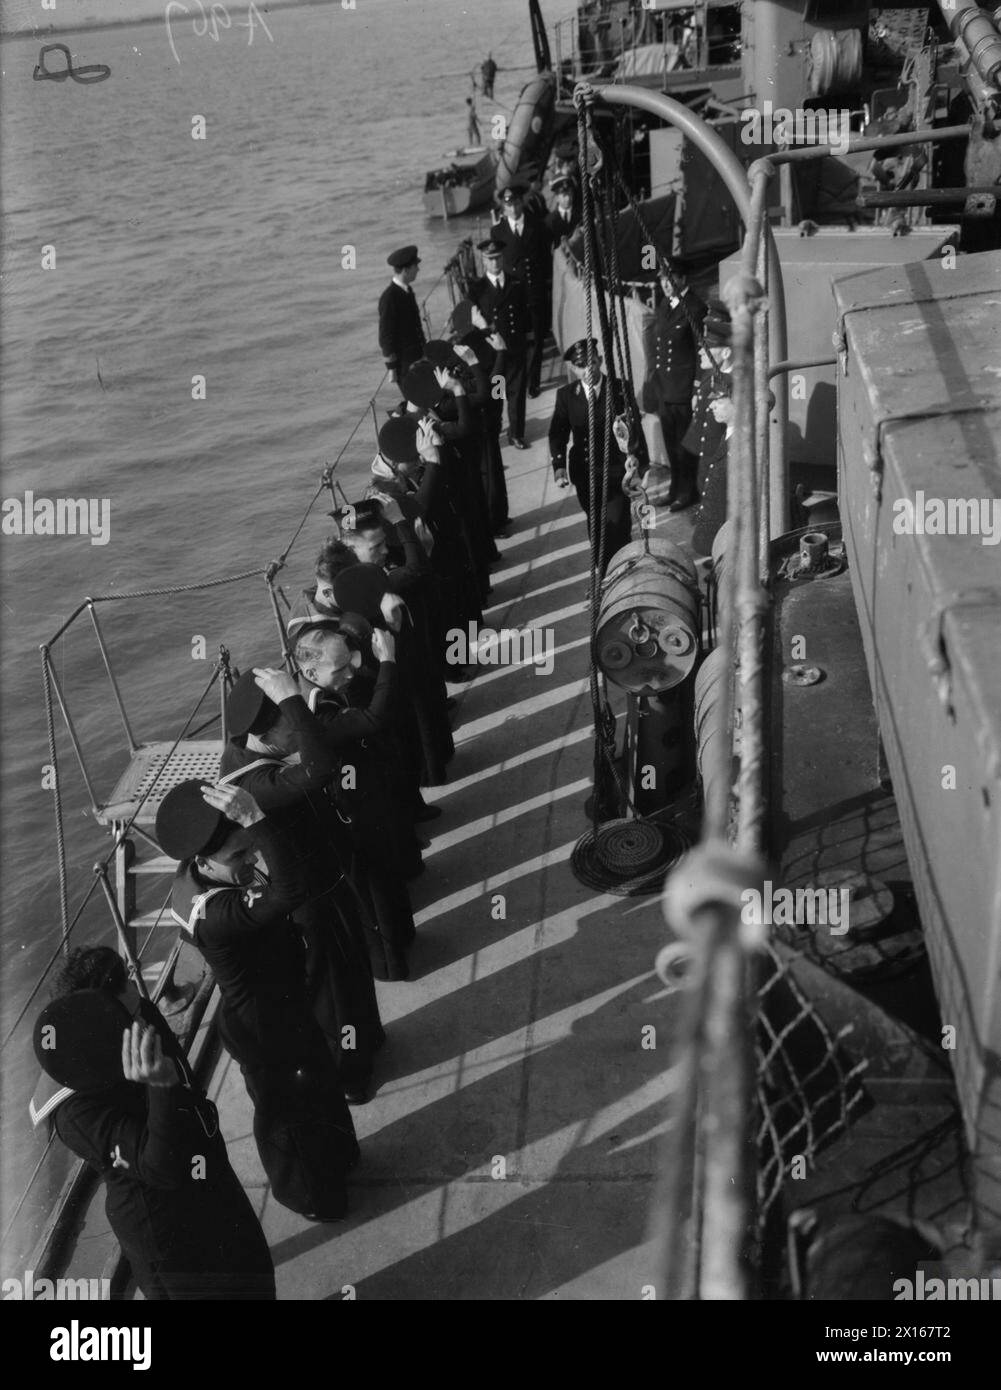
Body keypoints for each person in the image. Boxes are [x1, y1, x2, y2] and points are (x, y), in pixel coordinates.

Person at [158, 779, 360, 1219]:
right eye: (238, 856)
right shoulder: (218, 914)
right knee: (288, 1118)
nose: (251, 859)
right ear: (203, 861)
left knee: (321, 1087)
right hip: (262, 1026)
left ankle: (340, 1159)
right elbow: (291, 891)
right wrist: (255, 819)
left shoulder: (200, 877)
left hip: (284, 1004)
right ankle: (311, 1197)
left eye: (250, 848)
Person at [35, 946, 276, 1299]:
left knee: (254, 1269)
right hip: (166, 1224)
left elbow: (186, 1079)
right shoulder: (73, 1111)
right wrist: (160, 1088)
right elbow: (157, 1167)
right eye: (124, 986)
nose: (137, 989)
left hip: (207, 1173)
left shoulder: (137, 1013)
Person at [215, 666, 385, 1102]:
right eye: (292, 724)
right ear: (266, 736)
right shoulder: (254, 783)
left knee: (354, 971)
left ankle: (368, 1040)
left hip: (327, 880)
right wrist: (290, 699)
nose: (300, 730)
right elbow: (321, 766)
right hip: (308, 899)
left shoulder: (253, 751)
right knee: (334, 991)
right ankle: (351, 1074)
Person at [293, 622, 418, 982]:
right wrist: (389, 660)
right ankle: (391, 966)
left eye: (350, 662)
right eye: (340, 668)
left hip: (367, 794)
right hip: (350, 811)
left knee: (388, 876)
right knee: (373, 892)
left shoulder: (328, 688)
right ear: (311, 672)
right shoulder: (316, 710)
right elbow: (373, 718)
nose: (350, 673)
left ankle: (404, 939)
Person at [548, 338, 648, 582]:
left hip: (617, 471)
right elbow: (558, 432)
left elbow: (635, 428)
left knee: (617, 523)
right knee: (596, 525)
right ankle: (604, 571)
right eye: (581, 365)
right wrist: (559, 467)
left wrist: (642, 464)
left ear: (600, 361)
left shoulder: (620, 388)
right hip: (585, 472)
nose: (588, 369)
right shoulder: (566, 396)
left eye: (592, 363)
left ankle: (617, 576)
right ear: (573, 368)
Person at [642, 278, 707, 511]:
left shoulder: (695, 307)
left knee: (685, 444)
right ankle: (674, 489)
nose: (665, 284)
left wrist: (697, 387)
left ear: (682, 279)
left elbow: (702, 349)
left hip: (683, 387)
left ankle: (687, 492)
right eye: (661, 279)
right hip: (665, 388)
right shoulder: (665, 304)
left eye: (670, 279)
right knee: (671, 443)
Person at [490, 181, 552, 398]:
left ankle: (533, 382)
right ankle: (519, 379)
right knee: (517, 341)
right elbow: (496, 264)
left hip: (534, 292)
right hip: (512, 295)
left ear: (522, 203)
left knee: (536, 338)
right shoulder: (497, 232)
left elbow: (545, 258)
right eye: (509, 205)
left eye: (516, 203)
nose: (514, 208)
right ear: (504, 208)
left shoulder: (537, 226)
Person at [469, 237, 530, 448]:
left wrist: (527, 339)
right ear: (483, 261)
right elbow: (472, 320)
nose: (495, 263)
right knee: (497, 393)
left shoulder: (516, 282)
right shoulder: (477, 289)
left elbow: (525, 312)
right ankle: (496, 430)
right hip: (494, 353)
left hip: (515, 347)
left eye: (497, 258)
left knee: (517, 392)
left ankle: (516, 433)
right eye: (490, 259)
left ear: (502, 258)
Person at [378, 246, 426, 388]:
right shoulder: (389, 297)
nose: (418, 269)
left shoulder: (407, 290)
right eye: (415, 266)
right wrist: (392, 367)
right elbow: (385, 336)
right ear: (406, 270)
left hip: (418, 359)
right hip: (404, 365)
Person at [544, 175, 581, 243]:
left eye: (570, 194)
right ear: (557, 197)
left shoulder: (581, 215)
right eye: (564, 195)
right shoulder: (549, 221)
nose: (568, 198)